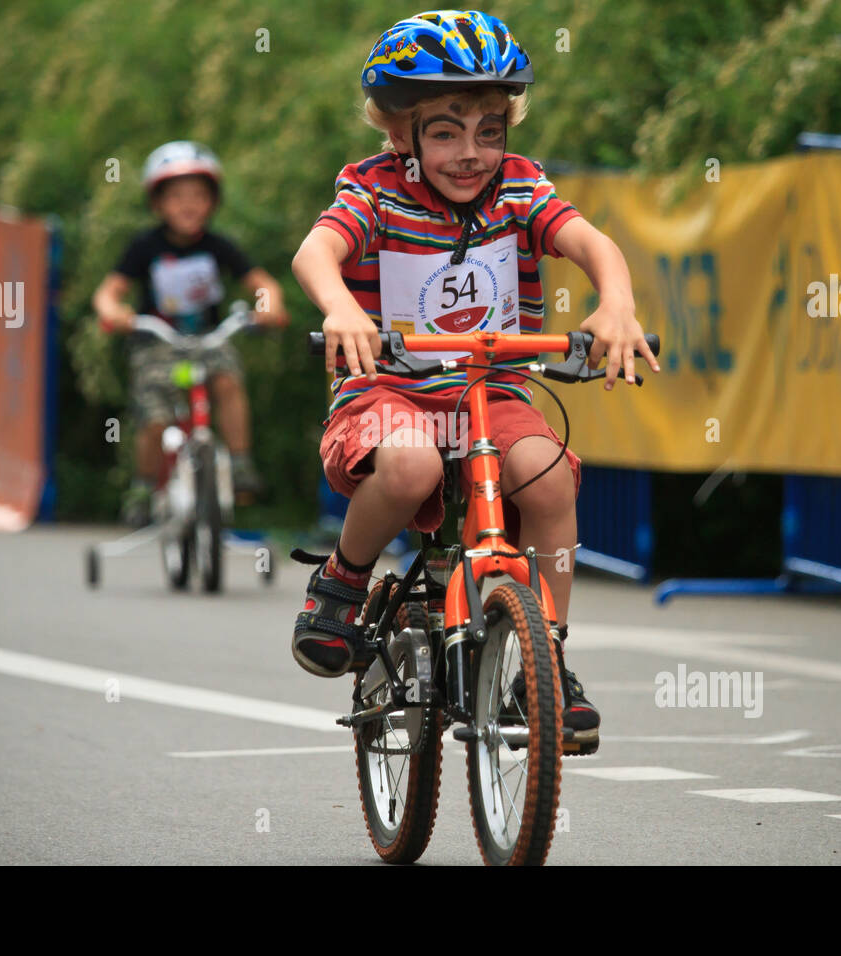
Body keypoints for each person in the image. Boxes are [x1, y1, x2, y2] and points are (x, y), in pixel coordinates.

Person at [289, 10, 658, 752]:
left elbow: (591, 242)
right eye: (447, 132)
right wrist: (340, 311)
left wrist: (616, 303)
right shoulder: (375, 189)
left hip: (491, 391)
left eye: (490, 130)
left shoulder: (520, 188)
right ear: (400, 133)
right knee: (413, 462)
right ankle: (341, 581)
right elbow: (314, 253)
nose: (472, 153)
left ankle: (544, 658)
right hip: (388, 390)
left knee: (549, 480)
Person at [93, 140, 288, 520]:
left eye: (198, 195)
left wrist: (267, 308)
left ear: (212, 202)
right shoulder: (144, 246)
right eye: (177, 196)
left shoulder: (219, 247)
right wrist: (115, 312)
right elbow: (109, 291)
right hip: (157, 342)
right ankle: (144, 486)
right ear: (158, 203)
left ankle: (240, 463)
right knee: (155, 419)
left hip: (208, 339)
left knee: (228, 381)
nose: (188, 204)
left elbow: (264, 286)